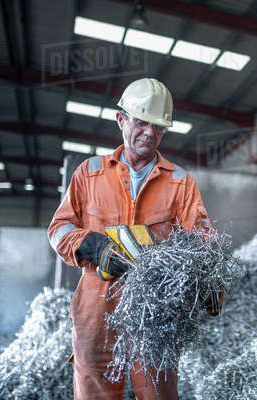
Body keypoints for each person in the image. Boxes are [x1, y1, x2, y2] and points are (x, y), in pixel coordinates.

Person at [48, 78, 220, 400]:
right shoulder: (89, 173)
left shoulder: (180, 183)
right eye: (141, 122)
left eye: (158, 127)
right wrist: (93, 247)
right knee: (94, 389)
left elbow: (202, 240)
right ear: (121, 120)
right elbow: (60, 228)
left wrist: (211, 282)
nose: (149, 134)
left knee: (158, 390)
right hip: (96, 306)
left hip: (157, 312)